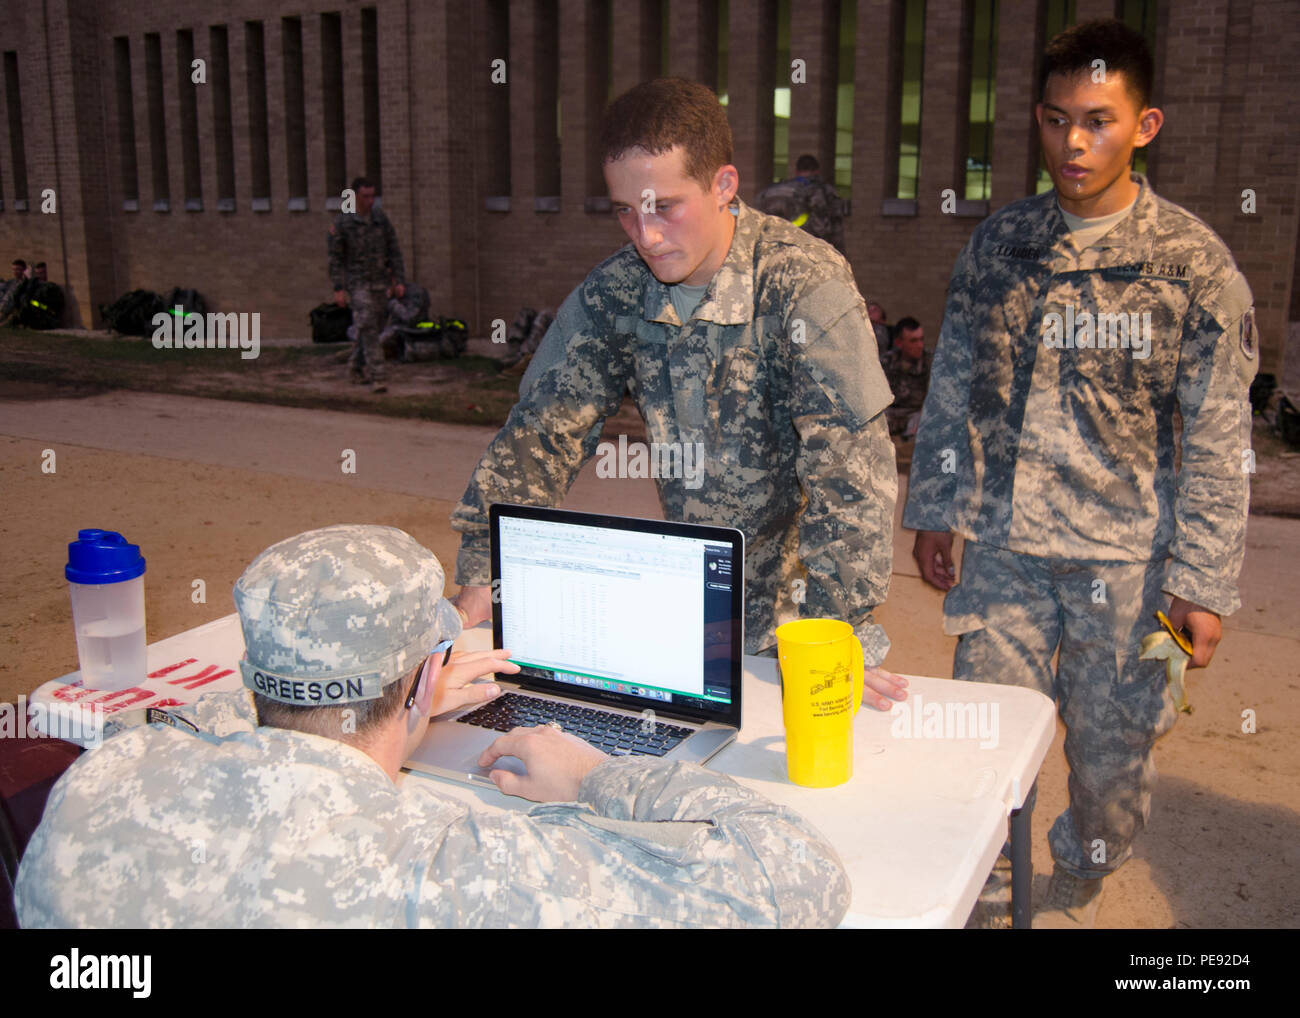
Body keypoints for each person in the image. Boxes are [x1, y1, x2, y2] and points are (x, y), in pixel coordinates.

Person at [14, 525, 851, 928]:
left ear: (253, 671)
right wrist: (598, 774)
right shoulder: (444, 872)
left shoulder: (100, 780)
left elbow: (188, 722)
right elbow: (798, 875)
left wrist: (400, 693)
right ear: (423, 681)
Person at [904, 20, 1257, 928]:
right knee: (984, 743)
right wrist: (937, 506)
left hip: (1128, 570)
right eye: (1057, 119)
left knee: (1110, 765)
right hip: (1005, 552)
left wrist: (1202, 583)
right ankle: (990, 887)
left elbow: (1218, 437)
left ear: (1145, 126)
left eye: (1098, 120)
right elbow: (953, 382)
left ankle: (1081, 871)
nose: (1073, 142)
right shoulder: (1000, 246)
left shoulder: (1192, 267)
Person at [451, 78, 907, 711]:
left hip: (799, 624)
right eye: (625, 210)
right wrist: (484, 571)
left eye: (664, 206)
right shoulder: (617, 291)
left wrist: (836, 634)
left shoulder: (803, 285)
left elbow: (851, 477)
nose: (645, 234)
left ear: (723, 184)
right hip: (694, 613)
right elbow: (541, 432)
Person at [328, 176, 406, 393]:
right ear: (355, 196)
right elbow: (335, 259)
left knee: (374, 325)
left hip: (379, 282)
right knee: (368, 324)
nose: (370, 201)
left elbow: (394, 251)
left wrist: (398, 280)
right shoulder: (343, 223)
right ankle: (378, 375)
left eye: (373, 196)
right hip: (357, 283)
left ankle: (354, 365)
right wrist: (339, 288)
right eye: (366, 196)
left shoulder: (380, 219)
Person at [755, 154, 846, 254]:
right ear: (816, 171)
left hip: (774, 249)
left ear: (796, 171)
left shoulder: (774, 189)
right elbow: (834, 227)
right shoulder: (822, 191)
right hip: (810, 250)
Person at [881, 317, 930, 472]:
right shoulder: (885, 362)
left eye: (921, 340)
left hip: (915, 416)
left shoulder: (931, 363)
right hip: (891, 413)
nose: (920, 345)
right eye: (913, 341)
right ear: (899, 343)